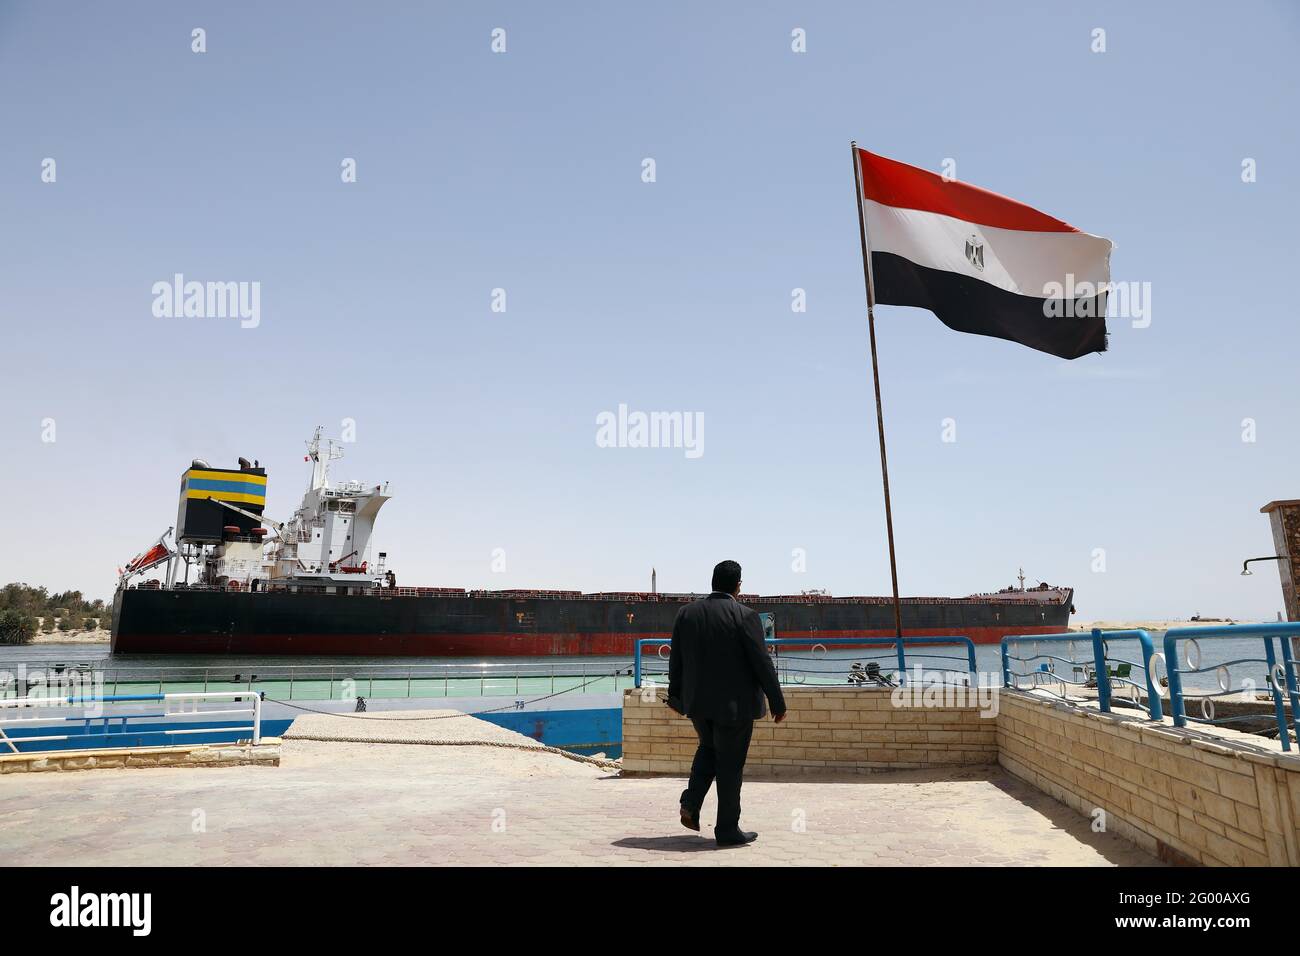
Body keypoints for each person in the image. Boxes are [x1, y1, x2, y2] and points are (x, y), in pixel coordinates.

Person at [666, 559, 787, 847]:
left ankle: (691, 803)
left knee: (708, 749)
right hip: (735, 708)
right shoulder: (745, 616)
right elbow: (761, 662)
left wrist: (676, 697)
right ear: (738, 585)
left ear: (713, 582)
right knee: (730, 766)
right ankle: (728, 829)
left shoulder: (686, 614)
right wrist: (777, 702)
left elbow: (677, 660)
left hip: (697, 705)